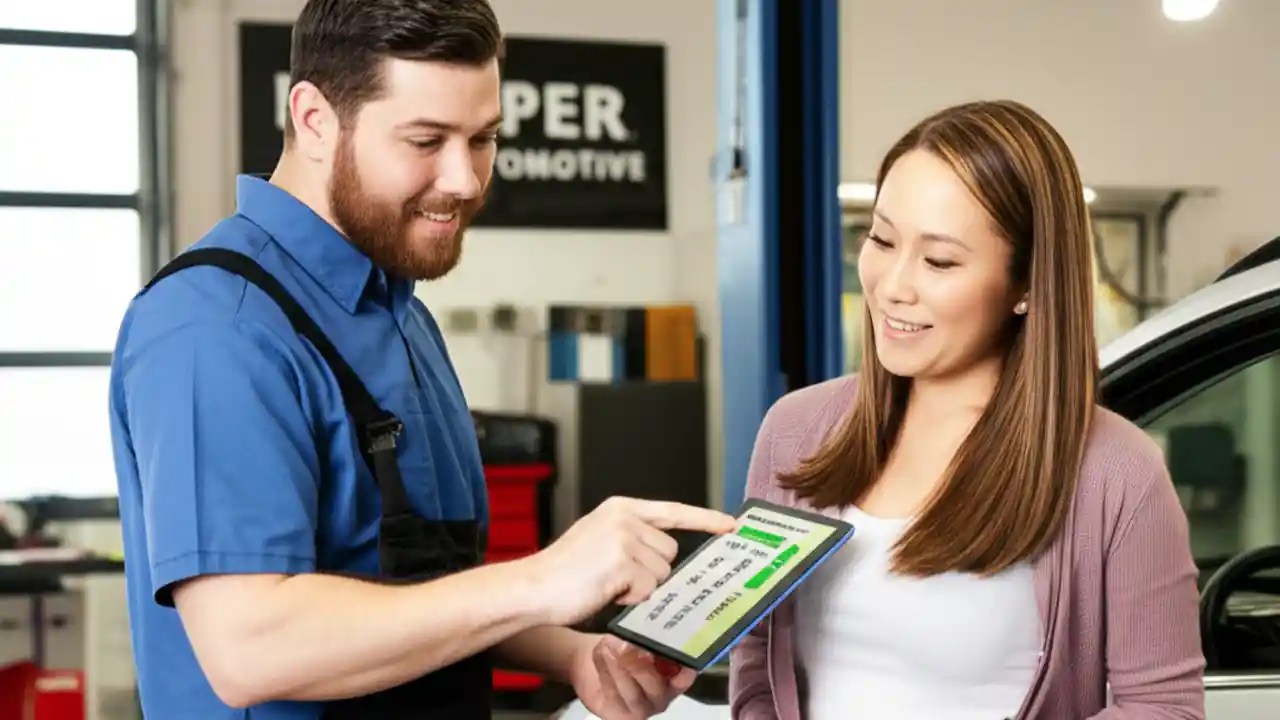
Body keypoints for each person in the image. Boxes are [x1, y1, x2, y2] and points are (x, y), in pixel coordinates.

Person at [107, 1, 736, 718]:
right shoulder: (217, 328)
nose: (466, 179)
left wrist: (574, 654)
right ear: (314, 119)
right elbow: (251, 646)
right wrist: (542, 578)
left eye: (483, 138)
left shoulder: (402, 314)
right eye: (426, 139)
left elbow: (423, 590)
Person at [729, 100, 1205, 719]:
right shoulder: (795, 430)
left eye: (939, 261)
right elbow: (756, 659)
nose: (893, 284)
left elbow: (1164, 709)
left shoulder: (1115, 472)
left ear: (1028, 284)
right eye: (880, 238)